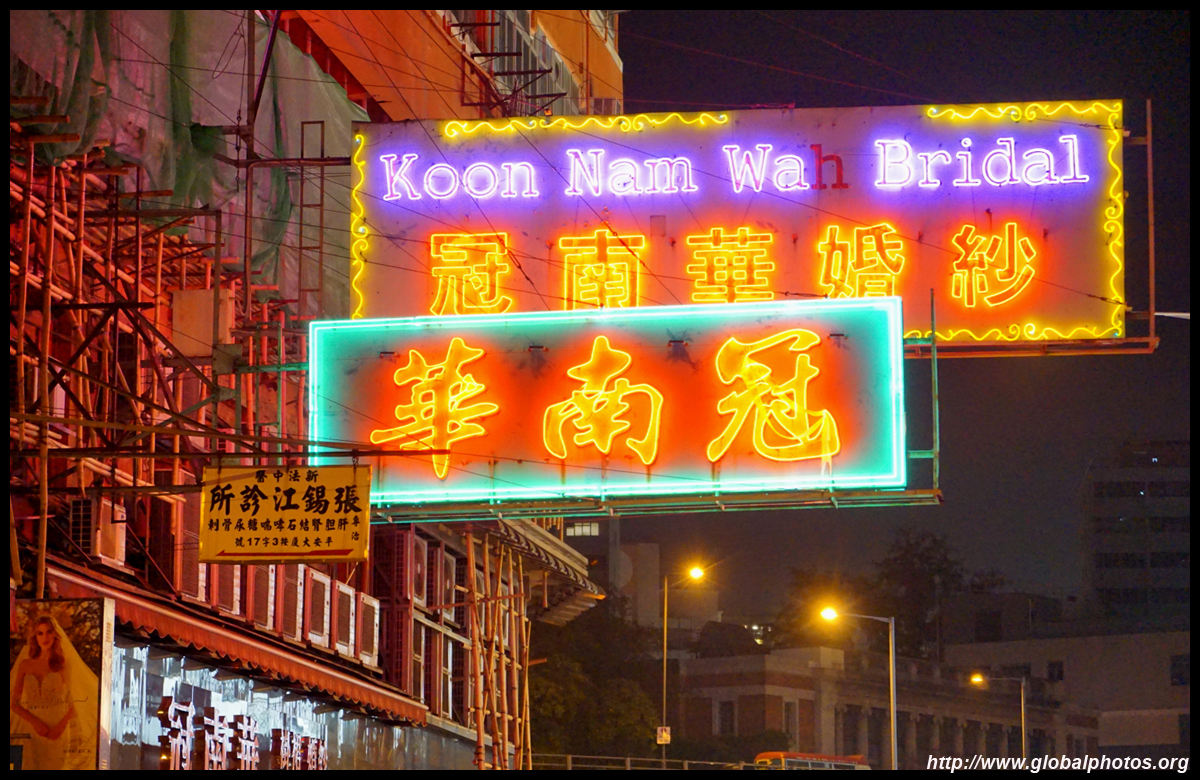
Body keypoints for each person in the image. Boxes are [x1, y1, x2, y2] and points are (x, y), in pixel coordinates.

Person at [9, 613, 99, 769]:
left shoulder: (63, 665)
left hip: (57, 728)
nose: (45, 637)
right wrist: (34, 722)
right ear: (35, 637)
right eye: (40, 633)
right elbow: (14, 703)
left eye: (49, 632)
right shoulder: (26, 665)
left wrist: (60, 727)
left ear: (55, 635)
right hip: (32, 728)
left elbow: (76, 702)